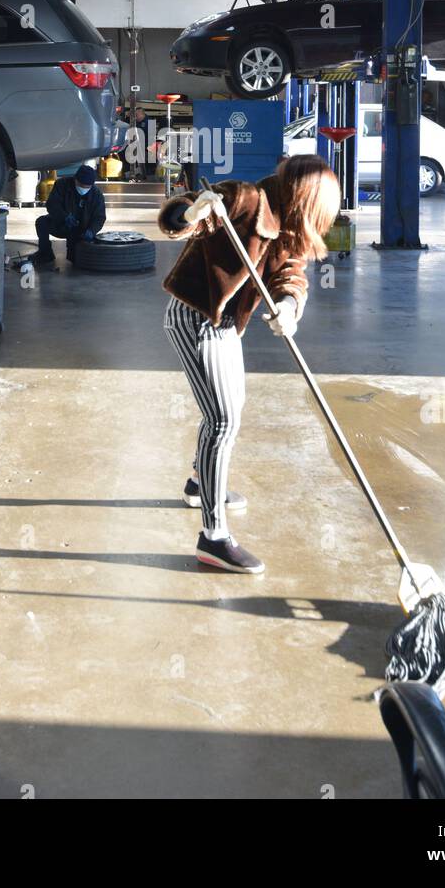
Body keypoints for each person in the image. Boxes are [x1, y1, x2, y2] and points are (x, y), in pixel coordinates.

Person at [158, 154, 340, 574]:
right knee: (221, 421)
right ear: (304, 199)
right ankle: (214, 537)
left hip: (223, 328)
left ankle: (200, 482)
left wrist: (290, 307)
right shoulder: (244, 198)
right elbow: (180, 218)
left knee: (230, 411)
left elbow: (291, 273)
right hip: (196, 316)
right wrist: (192, 210)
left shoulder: (290, 227)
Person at [34, 165, 106, 266]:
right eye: (81, 185)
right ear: (75, 180)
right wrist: (64, 217)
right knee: (41, 222)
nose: (84, 189)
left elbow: (99, 217)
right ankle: (46, 253)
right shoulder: (62, 184)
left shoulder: (96, 195)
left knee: (76, 261)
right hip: (62, 224)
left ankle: (76, 250)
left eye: (87, 187)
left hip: (82, 231)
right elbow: (52, 204)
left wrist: (91, 231)